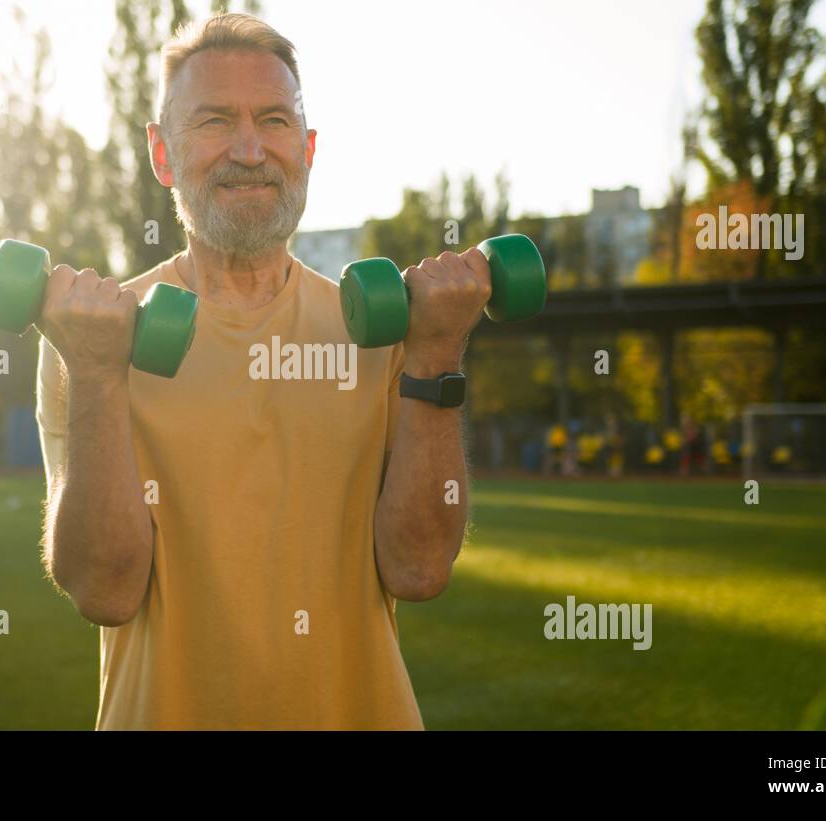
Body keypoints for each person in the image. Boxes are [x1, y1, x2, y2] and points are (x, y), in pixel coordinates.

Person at [35, 13, 492, 729]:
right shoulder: (93, 337)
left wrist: (436, 358)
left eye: (274, 120)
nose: (249, 150)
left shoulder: (379, 333)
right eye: (215, 121)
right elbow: (105, 587)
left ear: (307, 149)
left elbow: (420, 570)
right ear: (162, 153)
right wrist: (96, 377)